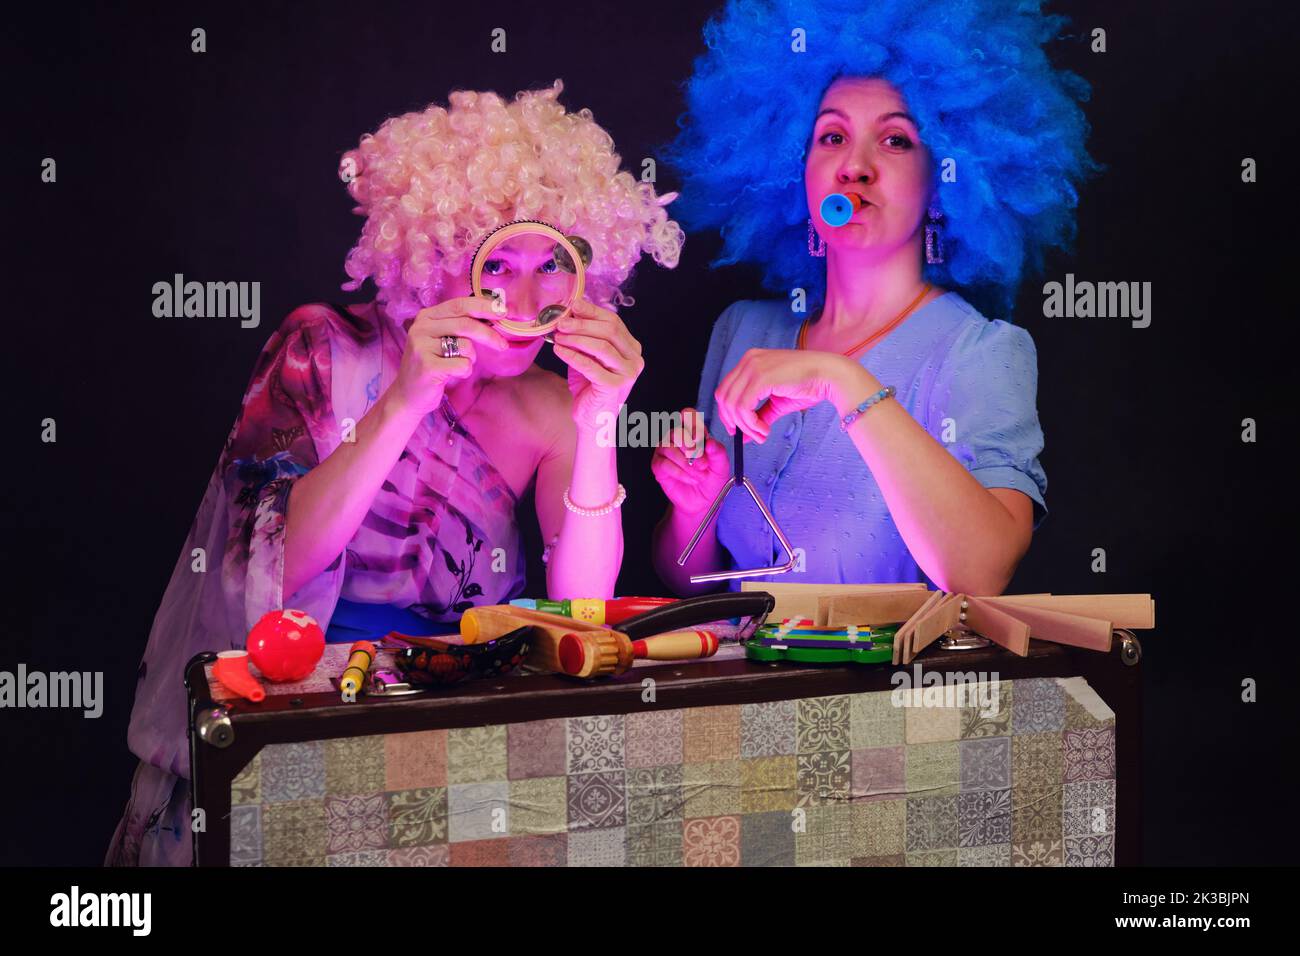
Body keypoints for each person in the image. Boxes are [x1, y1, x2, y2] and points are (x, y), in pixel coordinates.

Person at [106, 79, 682, 865]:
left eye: (552, 262)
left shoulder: (552, 408)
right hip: (285, 744)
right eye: (493, 262)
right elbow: (276, 564)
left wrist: (600, 420)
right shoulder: (323, 348)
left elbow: (585, 609)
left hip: (446, 768)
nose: (521, 296)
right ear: (435, 257)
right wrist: (406, 401)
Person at [652, 0, 1100, 596]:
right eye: (832, 136)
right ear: (797, 172)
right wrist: (693, 508)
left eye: (894, 141)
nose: (854, 167)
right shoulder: (743, 333)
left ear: (946, 180)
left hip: (897, 691)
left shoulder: (979, 352)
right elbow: (688, 585)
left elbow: (982, 573)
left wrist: (846, 382)